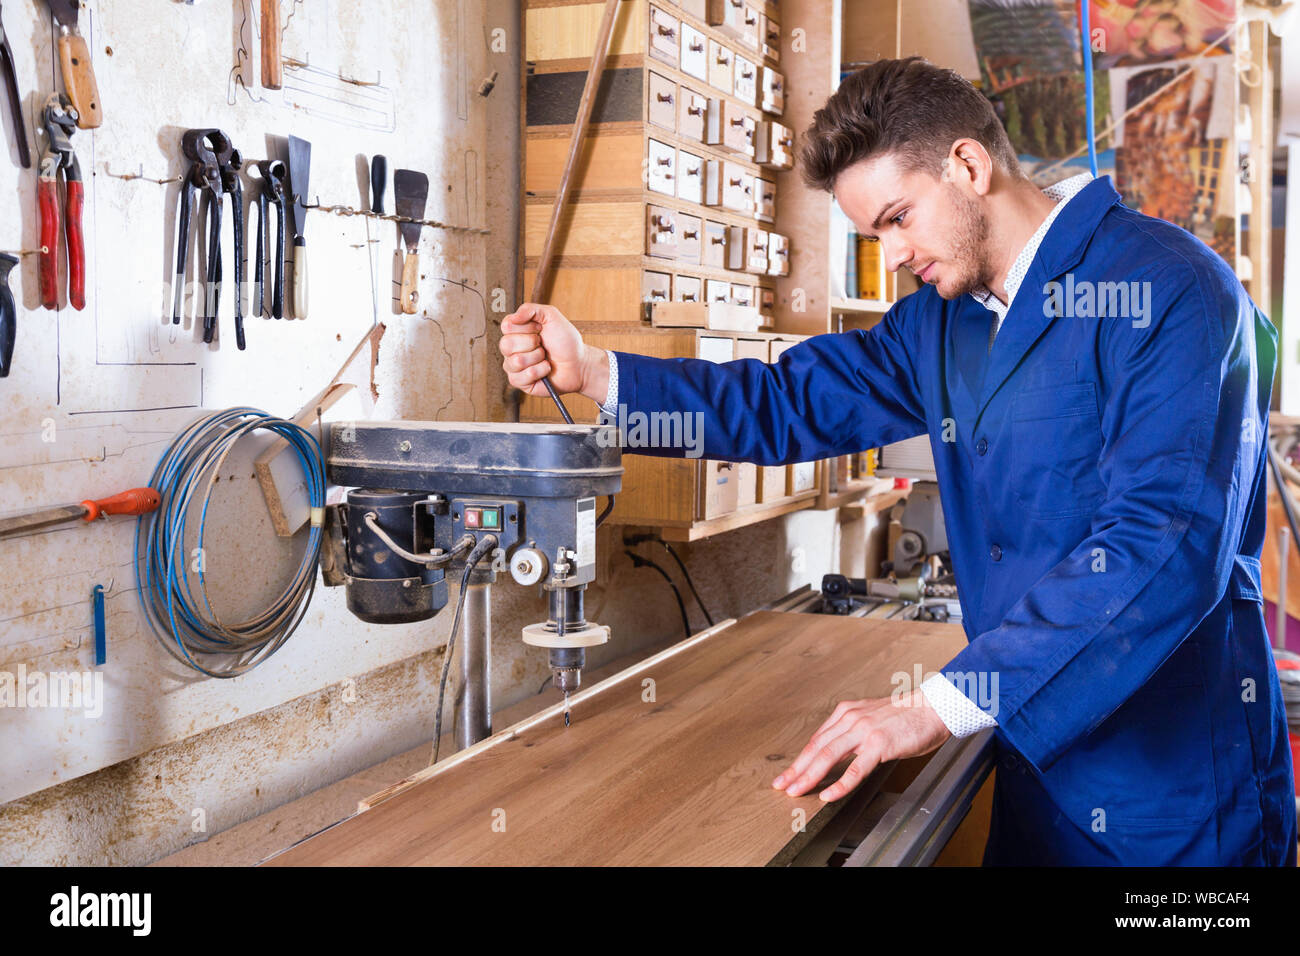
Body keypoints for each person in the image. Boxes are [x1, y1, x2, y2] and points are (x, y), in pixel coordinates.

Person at [498, 57, 1295, 865]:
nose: (894, 253)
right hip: (1033, 759)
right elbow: (788, 402)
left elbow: (1161, 549)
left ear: (969, 164)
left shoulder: (1174, 291)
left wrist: (940, 705)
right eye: (876, 233)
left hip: (1174, 790)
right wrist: (599, 375)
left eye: (899, 218)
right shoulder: (944, 323)